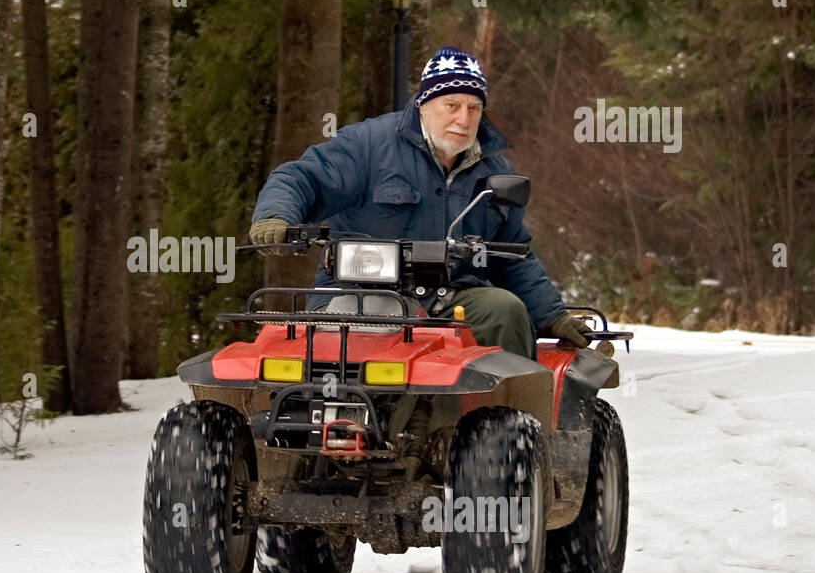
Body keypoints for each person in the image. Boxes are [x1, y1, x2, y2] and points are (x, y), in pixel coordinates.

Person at [249, 46, 590, 358]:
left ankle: (504, 419)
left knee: (505, 310)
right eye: (452, 105)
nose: (465, 119)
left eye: (475, 107)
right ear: (424, 104)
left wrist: (552, 316)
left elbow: (512, 254)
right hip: (360, 292)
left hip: (451, 297)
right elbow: (302, 178)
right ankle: (344, 411)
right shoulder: (368, 146)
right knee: (357, 336)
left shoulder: (494, 168)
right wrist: (276, 216)